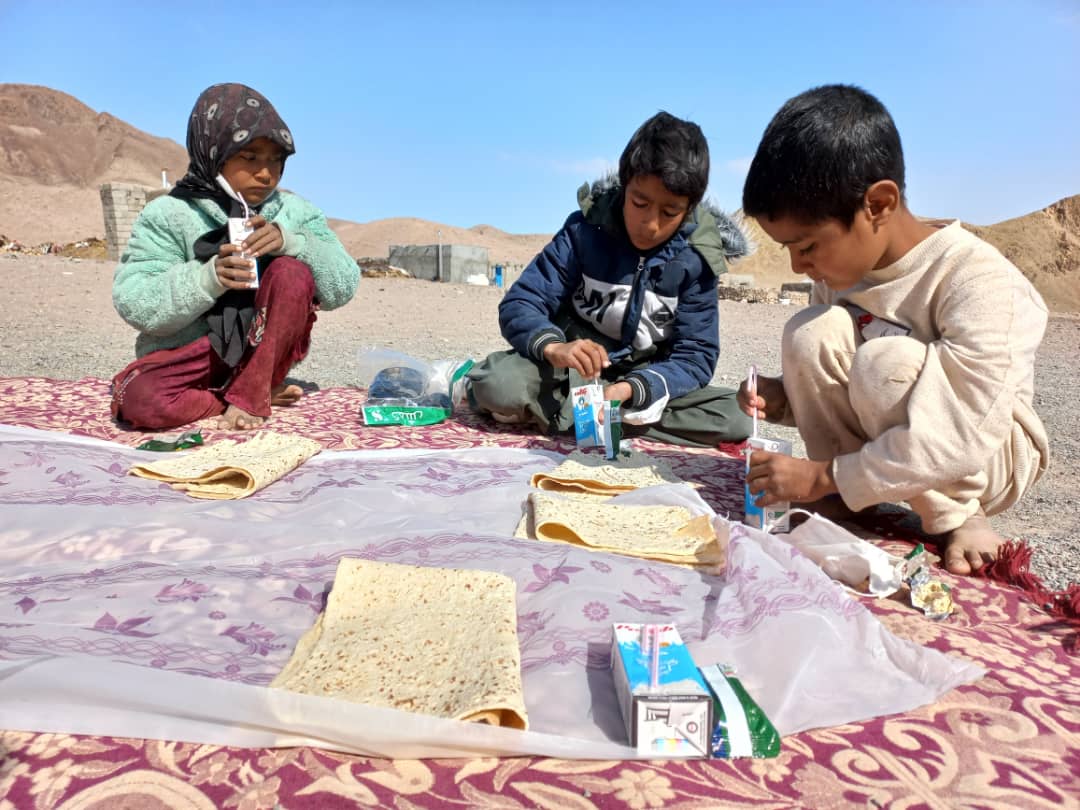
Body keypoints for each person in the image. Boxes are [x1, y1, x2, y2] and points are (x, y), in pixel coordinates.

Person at [737, 84, 1049, 576]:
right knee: (810, 331)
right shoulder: (840, 274)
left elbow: (965, 431)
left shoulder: (979, 281)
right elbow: (839, 385)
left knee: (886, 361)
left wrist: (820, 475)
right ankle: (846, 498)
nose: (799, 266)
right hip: (892, 440)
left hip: (984, 453)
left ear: (878, 205)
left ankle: (960, 515)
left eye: (808, 247)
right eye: (788, 251)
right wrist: (781, 398)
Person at [467, 111, 752, 447]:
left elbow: (695, 355)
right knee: (499, 385)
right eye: (640, 203)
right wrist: (555, 347)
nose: (651, 224)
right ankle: (602, 418)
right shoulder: (584, 231)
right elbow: (522, 302)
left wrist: (636, 388)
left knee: (736, 418)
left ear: (689, 208)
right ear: (624, 185)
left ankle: (581, 416)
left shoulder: (698, 258)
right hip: (569, 373)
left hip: (641, 384)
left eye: (670, 212)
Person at [111, 83, 359, 431]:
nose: (266, 172)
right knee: (139, 401)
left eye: (277, 160)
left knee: (291, 272)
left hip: (263, 355)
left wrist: (293, 243)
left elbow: (344, 284)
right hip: (196, 354)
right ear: (214, 151)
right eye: (250, 157)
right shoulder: (168, 214)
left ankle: (252, 389)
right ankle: (240, 395)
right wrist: (208, 278)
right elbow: (135, 300)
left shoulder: (294, 211)